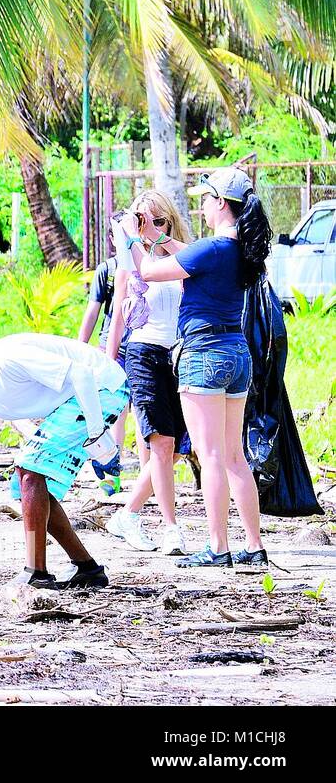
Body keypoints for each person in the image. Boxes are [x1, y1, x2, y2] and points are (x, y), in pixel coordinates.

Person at [114, 167, 273, 568]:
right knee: (235, 455)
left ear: (221, 203)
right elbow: (189, 255)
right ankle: (254, 548)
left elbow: (147, 271)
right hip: (236, 353)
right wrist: (159, 237)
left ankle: (218, 547)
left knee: (211, 454)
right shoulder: (240, 250)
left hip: (204, 353)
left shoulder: (213, 248)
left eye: (205, 198)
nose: (200, 205)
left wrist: (131, 236)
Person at [0, 333, 129, 589]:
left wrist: (97, 435)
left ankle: (36, 572)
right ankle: (87, 568)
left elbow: (81, 374)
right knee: (25, 485)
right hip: (78, 398)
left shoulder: (3, 361)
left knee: (28, 468)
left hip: (103, 387)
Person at [105, 190, 190, 555]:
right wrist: (109, 366)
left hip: (176, 356)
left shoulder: (180, 254)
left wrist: (158, 238)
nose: (150, 227)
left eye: (159, 220)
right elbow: (118, 316)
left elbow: (191, 265)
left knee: (174, 450)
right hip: (143, 353)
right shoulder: (131, 260)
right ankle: (171, 528)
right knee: (162, 443)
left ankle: (128, 513)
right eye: (143, 219)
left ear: (170, 222)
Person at [77, 246, 131, 456]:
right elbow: (93, 311)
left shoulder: (148, 265)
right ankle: (111, 460)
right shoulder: (107, 270)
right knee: (116, 408)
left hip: (140, 345)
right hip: (110, 346)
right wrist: (80, 347)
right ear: (112, 239)